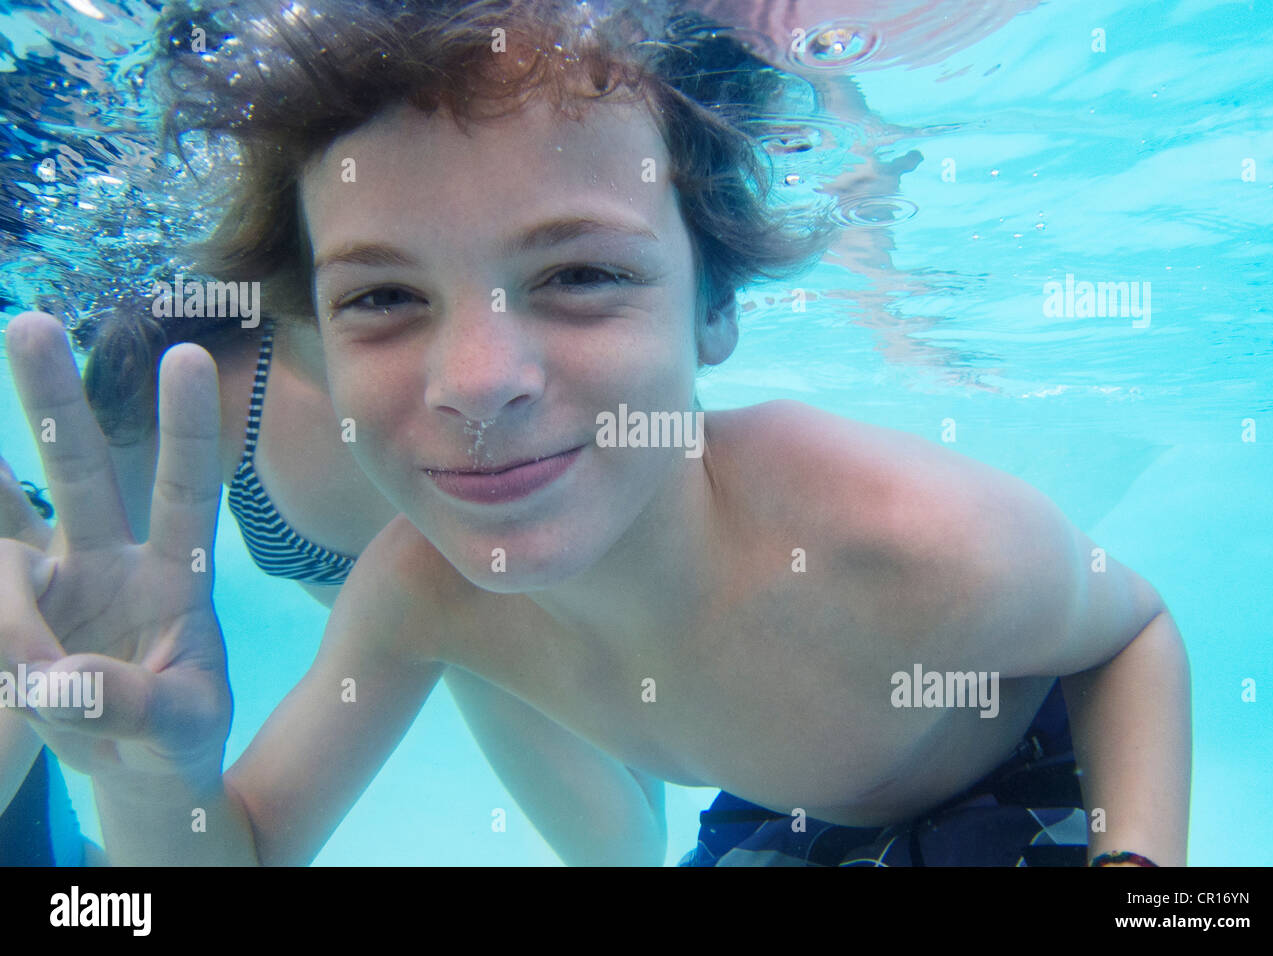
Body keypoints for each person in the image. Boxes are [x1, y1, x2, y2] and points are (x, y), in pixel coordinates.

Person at [0, 0, 1189, 867]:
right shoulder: (412, 595)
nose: (477, 383)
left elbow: (1128, 629)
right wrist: (156, 789)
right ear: (312, 338)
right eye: (382, 297)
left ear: (713, 305)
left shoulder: (899, 531)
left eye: (578, 272)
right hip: (782, 819)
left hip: (1032, 790)